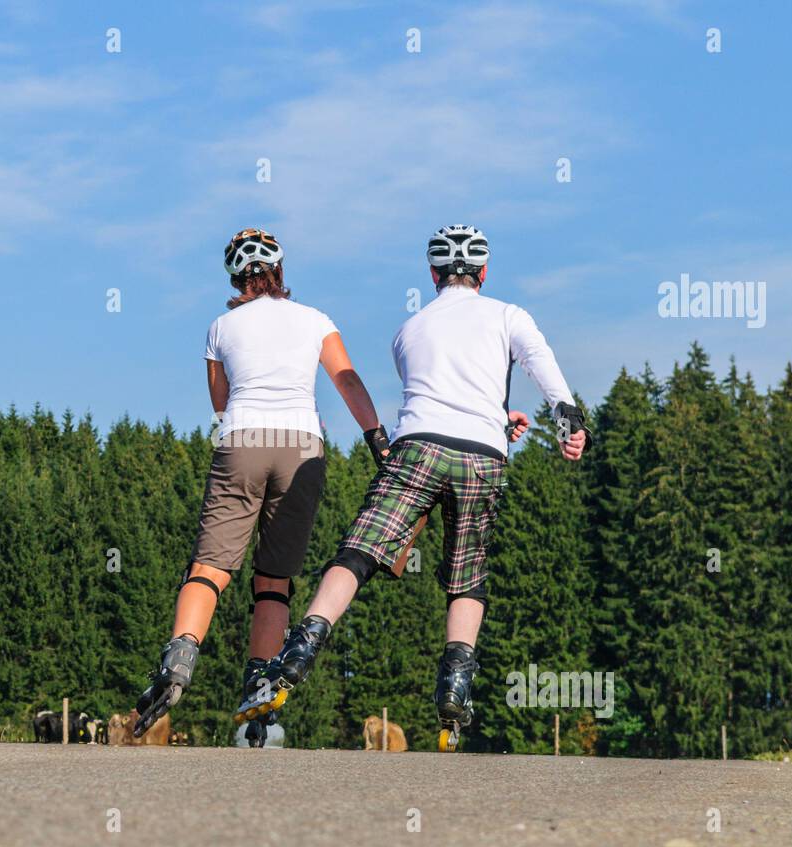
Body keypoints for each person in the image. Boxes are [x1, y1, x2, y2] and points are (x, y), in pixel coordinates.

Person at [237, 224, 590, 751]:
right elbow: (537, 362)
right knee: (466, 573)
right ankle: (455, 681)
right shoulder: (508, 315)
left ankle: (306, 640)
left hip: (418, 448)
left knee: (359, 549)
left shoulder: (409, 330)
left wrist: (488, 418)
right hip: (481, 458)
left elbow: (438, 392)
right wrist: (566, 415)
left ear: (433, 274)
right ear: (484, 272)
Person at [133, 228, 387, 737]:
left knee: (209, 567)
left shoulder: (220, 327)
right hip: (302, 446)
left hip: (243, 438)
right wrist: (377, 439)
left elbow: (220, 402)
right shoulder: (316, 320)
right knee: (273, 581)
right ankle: (260, 702)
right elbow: (348, 380)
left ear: (234, 277)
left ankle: (179, 659)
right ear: (281, 271)